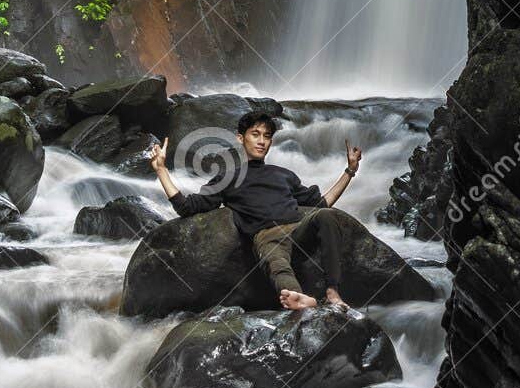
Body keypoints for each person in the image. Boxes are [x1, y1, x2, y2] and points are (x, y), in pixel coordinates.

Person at [148, 110, 365, 310]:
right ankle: (298, 298)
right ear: (241, 138)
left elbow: (321, 203)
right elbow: (188, 207)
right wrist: (161, 170)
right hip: (267, 236)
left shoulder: (283, 174)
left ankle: (332, 292)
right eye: (255, 134)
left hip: (298, 228)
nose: (262, 141)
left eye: (267, 136)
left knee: (327, 216)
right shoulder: (228, 176)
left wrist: (350, 171)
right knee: (277, 264)